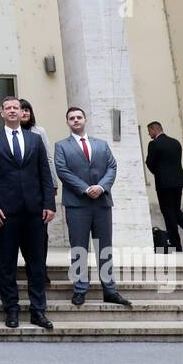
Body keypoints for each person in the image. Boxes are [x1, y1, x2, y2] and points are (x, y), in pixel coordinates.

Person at [0, 97, 56, 329]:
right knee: (6, 265)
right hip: (6, 213)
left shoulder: (34, 139)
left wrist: (49, 204)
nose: (13, 111)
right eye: (8, 108)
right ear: (1, 113)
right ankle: (11, 309)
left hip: (35, 212)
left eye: (17, 108)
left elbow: (44, 172)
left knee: (36, 264)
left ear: (22, 112)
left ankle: (38, 310)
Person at [53, 106, 131, 309]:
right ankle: (80, 289)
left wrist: (102, 187)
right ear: (68, 122)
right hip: (77, 204)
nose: (76, 120)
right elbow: (62, 170)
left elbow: (112, 167)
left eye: (79, 117)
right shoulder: (61, 146)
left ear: (85, 120)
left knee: (104, 248)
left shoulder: (101, 145)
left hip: (101, 203)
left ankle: (110, 290)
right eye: (72, 118)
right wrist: (85, 189)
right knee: (79, 248)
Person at [145, 121, 183, 252]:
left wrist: (158, 173)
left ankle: (177, 244)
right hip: (178, 182)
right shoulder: (176, 142)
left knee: (168, 213)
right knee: (175, 211)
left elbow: (149, 163)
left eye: (149, 131)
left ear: (154, 129)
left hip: (164, 184)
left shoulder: (154, 144)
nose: (149, 134)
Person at [19, 98, 55, 285]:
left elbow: (48, 160)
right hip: (17, 196)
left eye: (27, 110)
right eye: (21, 109)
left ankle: (41, 269)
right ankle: (30, 266)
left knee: (41, 235)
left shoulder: (39, 132)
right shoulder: (7, 134)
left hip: (38, 192)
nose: (24, 113)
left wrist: (52, 186)